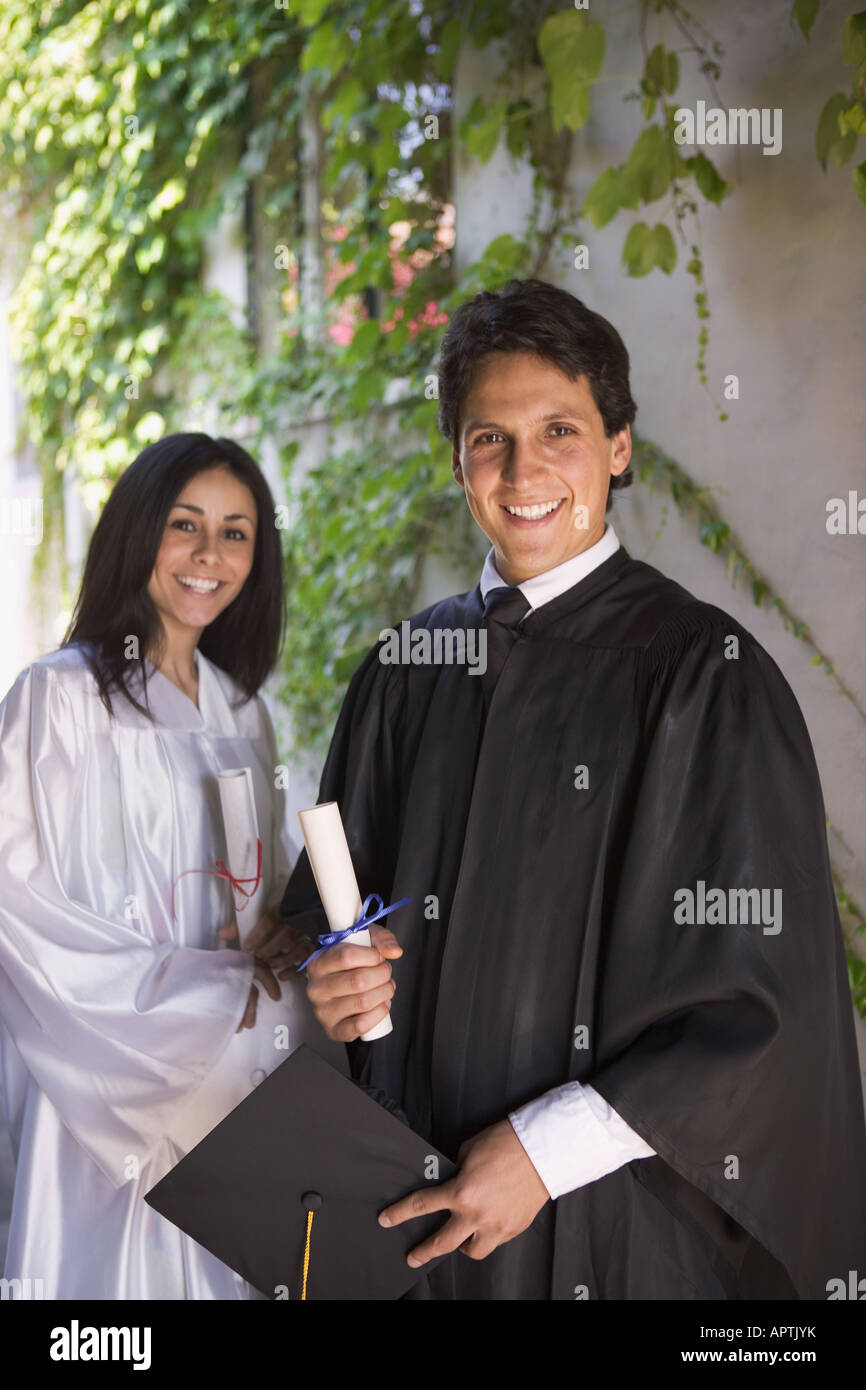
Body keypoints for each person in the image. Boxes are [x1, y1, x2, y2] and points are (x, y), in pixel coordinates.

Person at [280, 278, 866, 1300]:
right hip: (407, 1216)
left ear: (618, 445)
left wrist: (544, 1152)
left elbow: (761, 1008)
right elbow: (321, 922)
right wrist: (328, 975)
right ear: (456, 461)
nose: (521, 469)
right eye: (486, 439)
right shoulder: (405, 671)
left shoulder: (699, 676)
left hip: (609, 1227)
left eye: (558, 429)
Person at [0, 432, 343, 1300]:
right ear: (138, 531)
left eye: (236, 533)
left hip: (234, 1075)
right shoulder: (61, 696)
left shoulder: (244, 713)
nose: (208, 556)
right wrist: (190, 1006)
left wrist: (280, 940)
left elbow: (259, 898)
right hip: (105, 1074)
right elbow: (15, 900)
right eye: (185, 525)